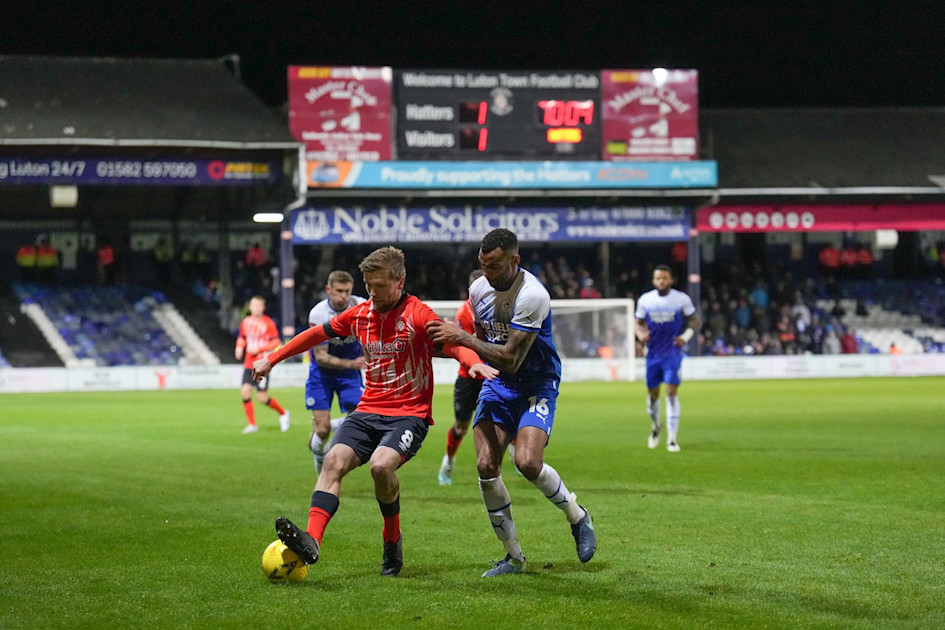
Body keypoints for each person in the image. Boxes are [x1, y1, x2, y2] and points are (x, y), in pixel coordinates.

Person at [252, 246, 497, 577]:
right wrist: (272, 359)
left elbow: (453, 345)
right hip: (368, 410)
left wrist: (474, 362)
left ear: (399, 281)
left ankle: (392, 538)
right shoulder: (360, 314)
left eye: (379, 286)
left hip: (409, 414)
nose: (372, 293)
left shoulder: (418, 314)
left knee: (380, 467)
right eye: (368, 286)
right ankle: (312, 541)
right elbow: (315, 335)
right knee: (333, 461)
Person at [426, 228, 598, 577]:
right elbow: (486, 345)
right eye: (482, 265)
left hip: (536, 382)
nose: (487, 273)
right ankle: (514, 558)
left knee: (528, 463)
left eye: (494, 266)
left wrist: (462, 338)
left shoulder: (532, 295)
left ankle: (578, 516)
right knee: (486, 465)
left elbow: (510, 359)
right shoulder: (478, 289)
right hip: (499, 383)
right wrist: (441, 348)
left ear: (515, 260)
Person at [634, 264, 700, 452]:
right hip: (653, 354)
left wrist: (685, 337)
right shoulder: (646, 300)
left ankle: (672, 438)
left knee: (671, 392)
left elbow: (695, 320)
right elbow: (638, 322)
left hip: (672, 353)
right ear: (653, 280)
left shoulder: (681, 299)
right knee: (653, 395)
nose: (661, 281)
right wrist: (640, 334)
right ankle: (656, 426)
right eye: (658, 278)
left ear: (671, 280)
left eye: (664, 278)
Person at [306, 270, 367, 474]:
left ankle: (330, 425)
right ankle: (322, 435)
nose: (343, 296)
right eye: (339, 291)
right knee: (322, 432)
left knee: (362, 417)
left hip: (349, 375)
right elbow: (321, 357)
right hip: (322, 374)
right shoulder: (318, 314)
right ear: (328, 290)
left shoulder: (360, 305)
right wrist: (352, 364)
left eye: (347, 291)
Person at [438, 269, 485, 485]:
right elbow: (462, 347)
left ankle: (513, 456)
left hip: (491, 376)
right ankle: (448, 462)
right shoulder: (463, 313)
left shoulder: (496, 309)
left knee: (499, 423)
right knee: (461, 428)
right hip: (468, 378)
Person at [235, 295, 290, 434]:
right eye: (254, 305)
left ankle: (283, 413)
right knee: (245, 392)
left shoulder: (268, 323)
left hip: (262, 365)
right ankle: (252, 424)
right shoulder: (245, 322)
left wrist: (259, 349)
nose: (256, 308)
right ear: (249, 307)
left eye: (259, 305)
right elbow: (242, 337)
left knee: (262, 398)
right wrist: (239, 347)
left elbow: (276, 342)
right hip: (248, 363)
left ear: (263, 308)